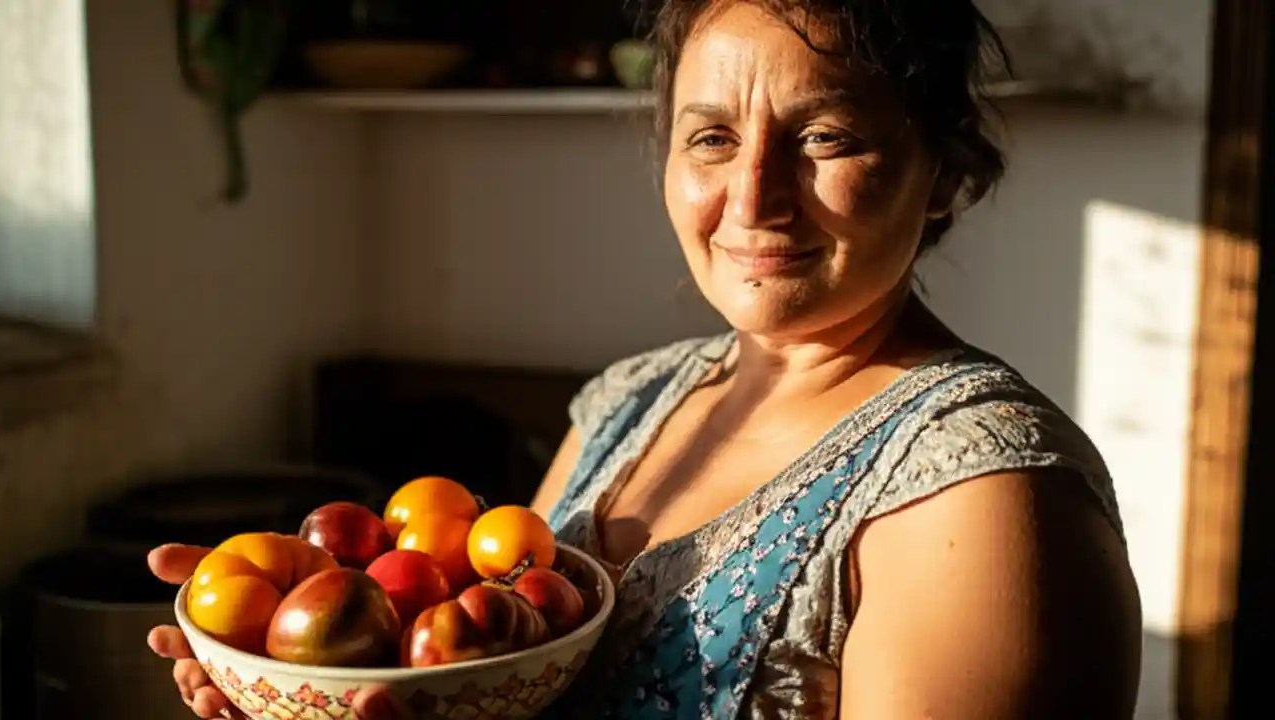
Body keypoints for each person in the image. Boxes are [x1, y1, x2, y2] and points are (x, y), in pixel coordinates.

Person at [147, 0, 1143, 717]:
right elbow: (500, 679)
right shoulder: (626, 402)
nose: (752, 198)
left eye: (824, 135)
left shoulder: (984, 490)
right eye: (711, 138)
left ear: (943, 171)